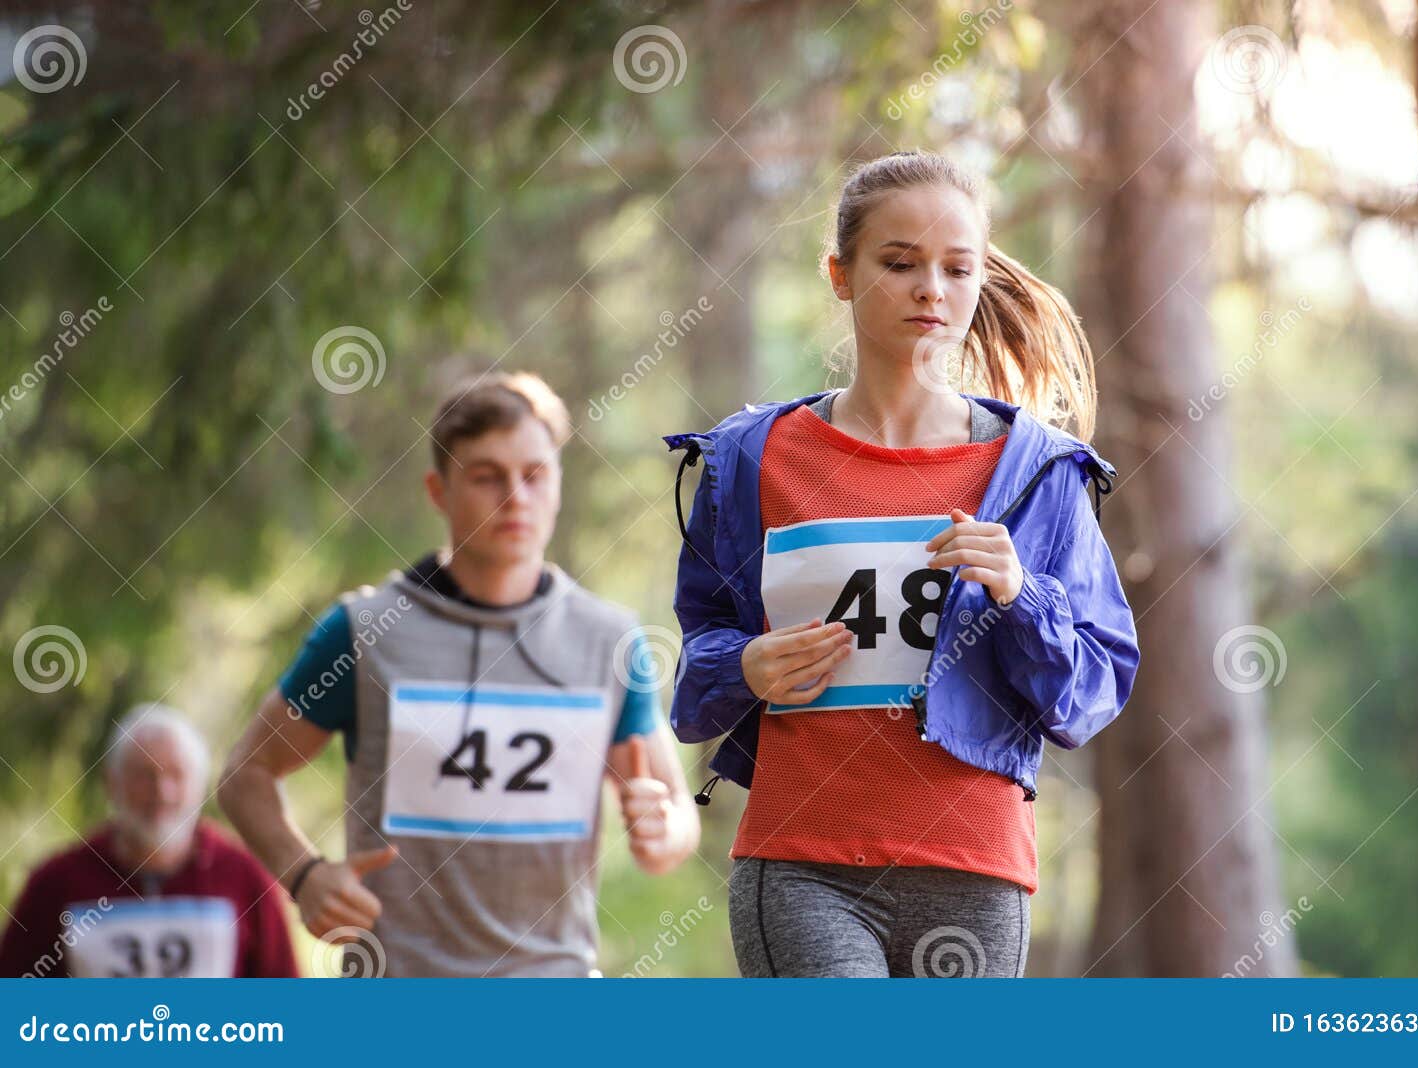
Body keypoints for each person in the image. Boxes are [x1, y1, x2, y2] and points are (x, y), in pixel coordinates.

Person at [665, 149, 1139, 978]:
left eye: (958, 269)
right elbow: (693, 683)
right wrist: (746, 664)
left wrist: (1021, 594)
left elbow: (1092, 692)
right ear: (840, 275)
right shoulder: (752, 461)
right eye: (900, 263)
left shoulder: (1038, 474)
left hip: (976, 874)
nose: (932, 290)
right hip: (803, 864)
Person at [218, 371, 699, 977]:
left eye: (535, 474)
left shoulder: (607, 640)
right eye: (486, 476)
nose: (515, 498)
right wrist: (305, 875)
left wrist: (665, 828)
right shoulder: (364, 632)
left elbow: (676, 812)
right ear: (438, 490)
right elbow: (245, 774)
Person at [0, 703, 299, 977]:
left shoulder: (245, 878)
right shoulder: (56, 883)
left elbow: (290, 1011)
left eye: (176, 775)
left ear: (199, 784)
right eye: (143, 775)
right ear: (112, 782)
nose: (161, 792)